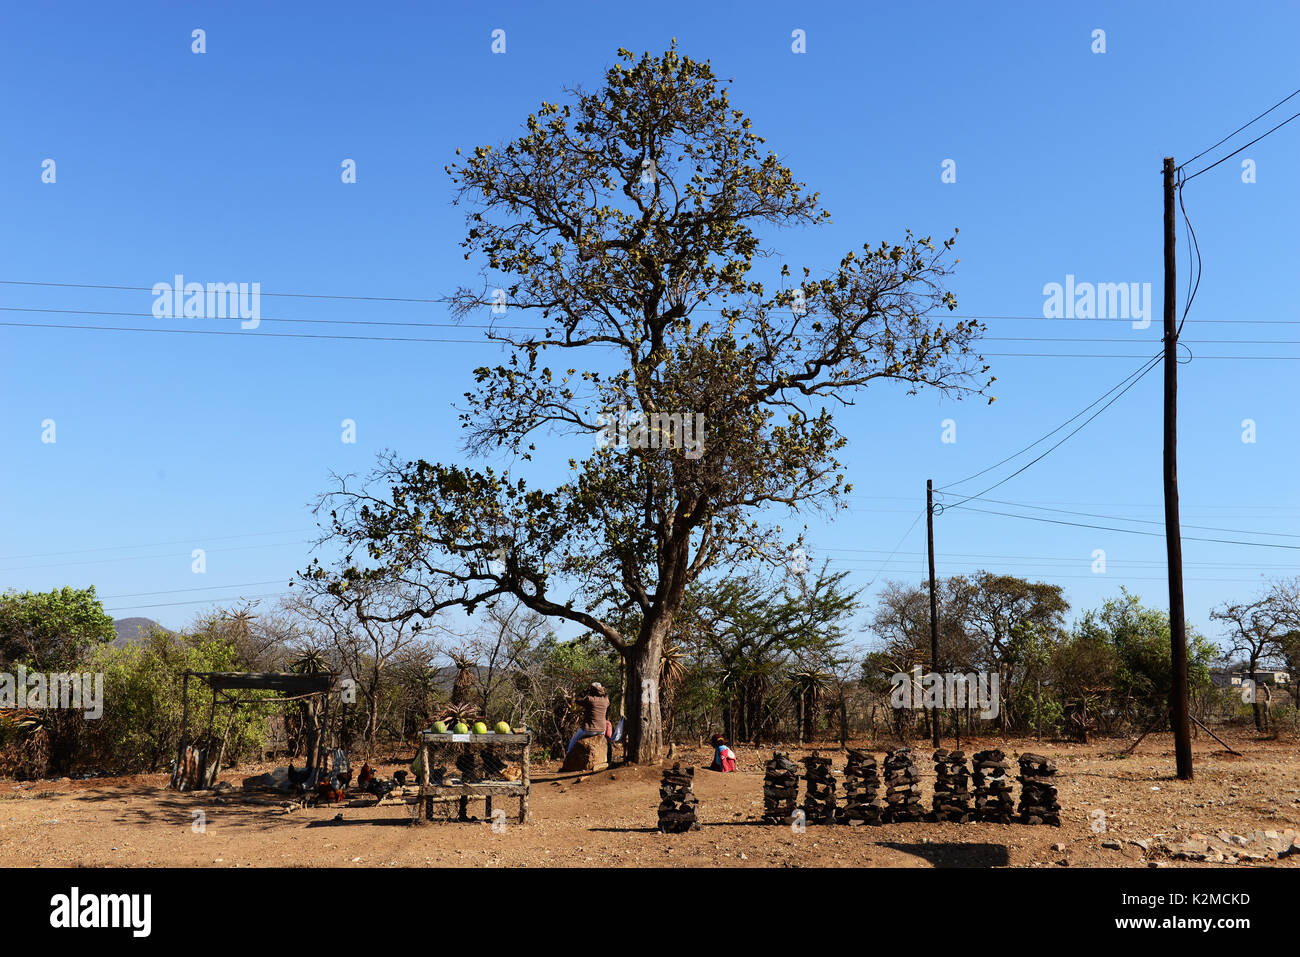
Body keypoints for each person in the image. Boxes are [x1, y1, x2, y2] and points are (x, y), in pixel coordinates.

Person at [565, 682, 611, 756]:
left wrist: (584, 691)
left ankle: (568, 755)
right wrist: (603, 691)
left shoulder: (590, 699)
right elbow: (605, 695)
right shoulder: (606, 700)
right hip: (602, 729)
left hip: (589, 729)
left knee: (574, 740)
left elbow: (577, 700)